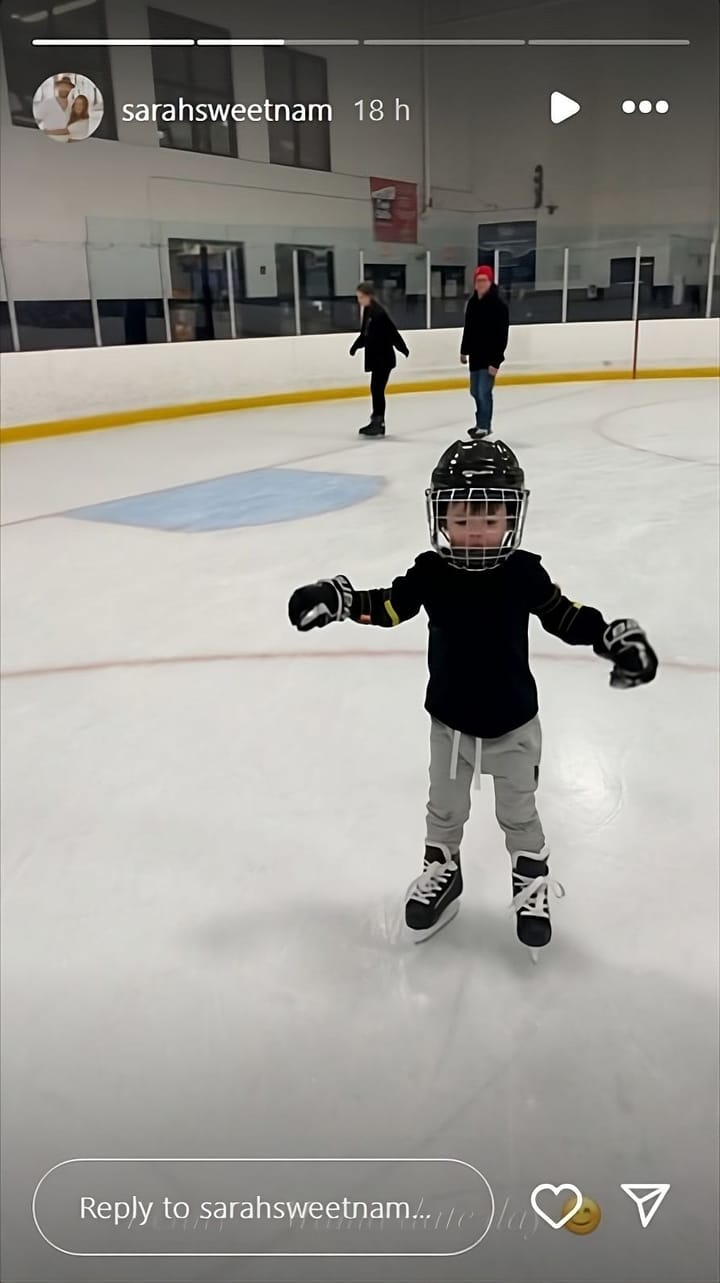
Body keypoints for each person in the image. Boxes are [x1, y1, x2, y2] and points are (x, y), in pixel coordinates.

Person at [288, 438, 658, 953]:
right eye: (463, 519)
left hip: (513, 727)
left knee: (519, 813)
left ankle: (529, 880)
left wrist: (610, 636)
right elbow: (392, 606)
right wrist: (341, 599)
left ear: (512, 516)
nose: (477, 531)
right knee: (443, 809)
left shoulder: (524, 573)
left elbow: (565, 617)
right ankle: (444, 873)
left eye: (490, 517)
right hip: (450, 724)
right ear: (441, 518)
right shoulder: (431, 572)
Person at [349, 282, 409, 438]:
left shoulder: (378, 313)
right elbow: (365, 334)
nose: (359, 301)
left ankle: (378, 422)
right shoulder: (368, 311)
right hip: (376, 357)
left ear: (369, 296)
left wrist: (402, 348)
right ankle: (376, 421)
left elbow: (392, 332)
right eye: (358, 297)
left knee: (377, 390)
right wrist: (356, 346)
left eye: (361, 297)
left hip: (383, 358)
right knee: (376, 389)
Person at [460, 265, 509, 439]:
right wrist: (464, 350)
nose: (480, 284)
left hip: (490, 358)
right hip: (475, 356)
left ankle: (484, 425)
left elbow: (502, 336)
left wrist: (496, 362)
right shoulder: (473, 303)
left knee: (483, 391)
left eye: (484, 280)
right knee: (474, 391)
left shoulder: (498, 305)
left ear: (490, 282)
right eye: (478, 280)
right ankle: (480, 423)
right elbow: (469, 329)